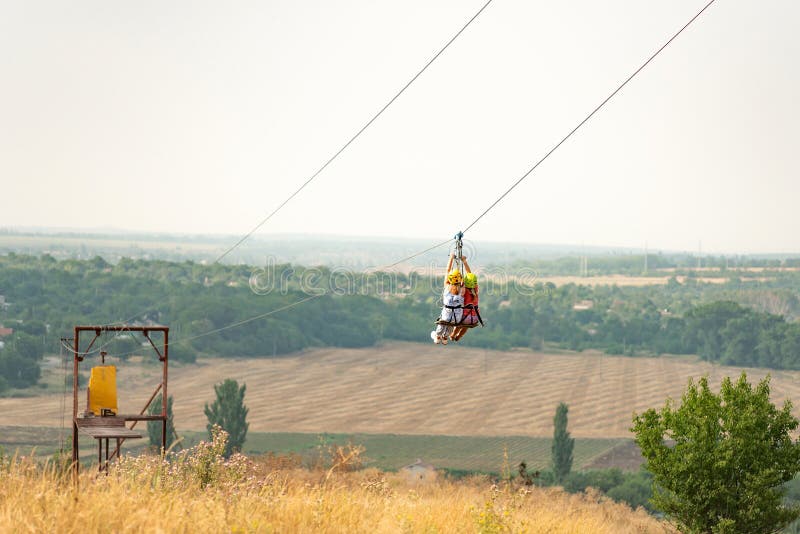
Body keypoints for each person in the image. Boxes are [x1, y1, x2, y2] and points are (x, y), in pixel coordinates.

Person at [430, 252, 464, 345]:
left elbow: (447, 270)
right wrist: (463, 262)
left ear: (450, 279)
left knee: (444, 321)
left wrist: (451, 258)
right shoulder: (462, 289)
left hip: (447, 315)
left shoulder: (447, 287)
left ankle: (438, 336)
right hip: (456, 318)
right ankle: (445, 337)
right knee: (450, 323)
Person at [452, 260, 479, 342]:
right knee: (466, 325)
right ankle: (459, 336)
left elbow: (466, 278)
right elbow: (469, 274)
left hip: (464, 317)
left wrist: (460, 280)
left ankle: (453, 335)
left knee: (459, 324)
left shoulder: (464, 291)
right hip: (474, 318)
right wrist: (464, 262)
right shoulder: (476, 289)